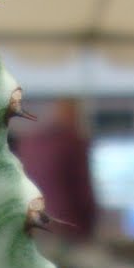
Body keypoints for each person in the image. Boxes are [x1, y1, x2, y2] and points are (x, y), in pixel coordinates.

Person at [13, 97, 97, 238]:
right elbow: (84, 192)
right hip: (67, 225)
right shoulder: (72, 142)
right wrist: (88, 231)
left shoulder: (29, 142)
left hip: (32, 223)